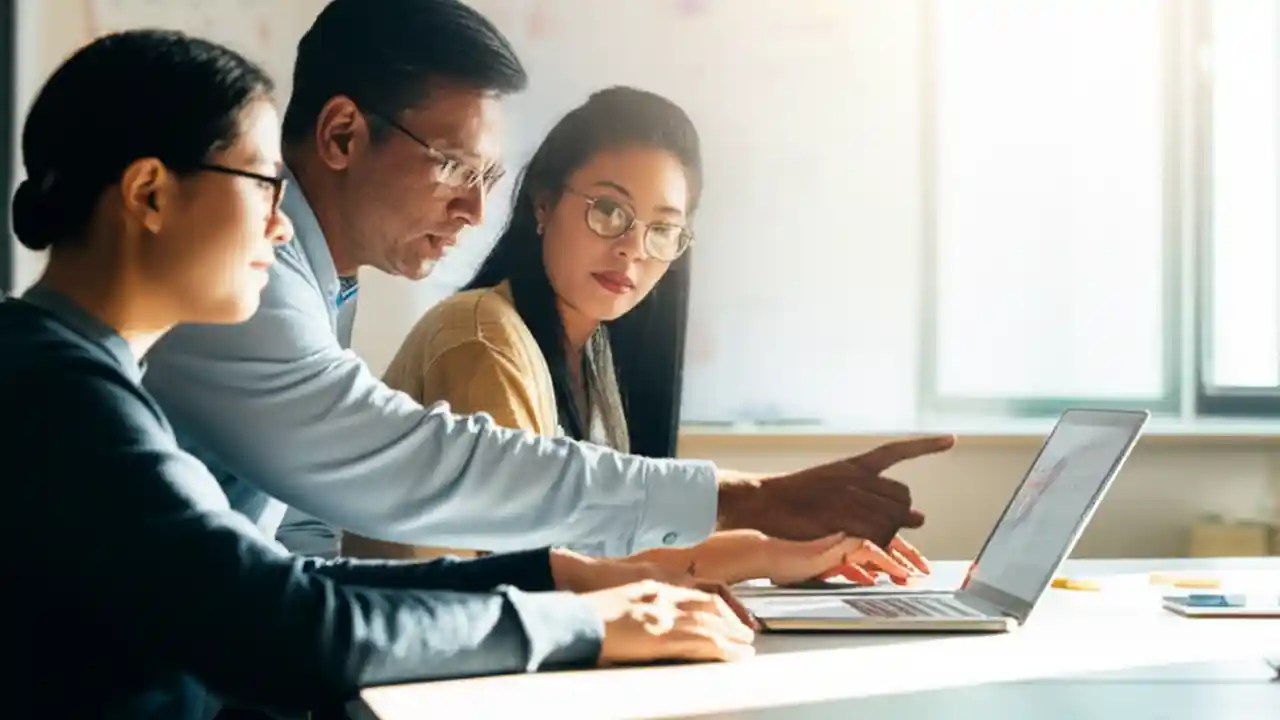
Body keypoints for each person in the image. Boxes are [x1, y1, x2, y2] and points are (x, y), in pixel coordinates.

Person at [2, 30, 755, 720]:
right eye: (263, 184)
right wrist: (579, 622)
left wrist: (556, 580)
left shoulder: (72, 376)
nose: (282, 223)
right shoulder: (61, 400)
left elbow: (284, 583)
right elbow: (290, 626)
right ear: (150, 195)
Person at [143, 0, 953, 563]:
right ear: (344, 135)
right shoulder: (247, 285)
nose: (472, 210)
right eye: (454, 166)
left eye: (486, 177)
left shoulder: (316, 282)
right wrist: (744, 503)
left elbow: (301, 546)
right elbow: (419, 465)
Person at [343, 87, 924, 585]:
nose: (632, 249)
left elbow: (604, 555)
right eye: (608, 210)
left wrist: (794, 552)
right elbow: (534, 570)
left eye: (663, 230)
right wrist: (763, 547)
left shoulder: (591, 352)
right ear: (543, 203)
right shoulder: (485, 339)